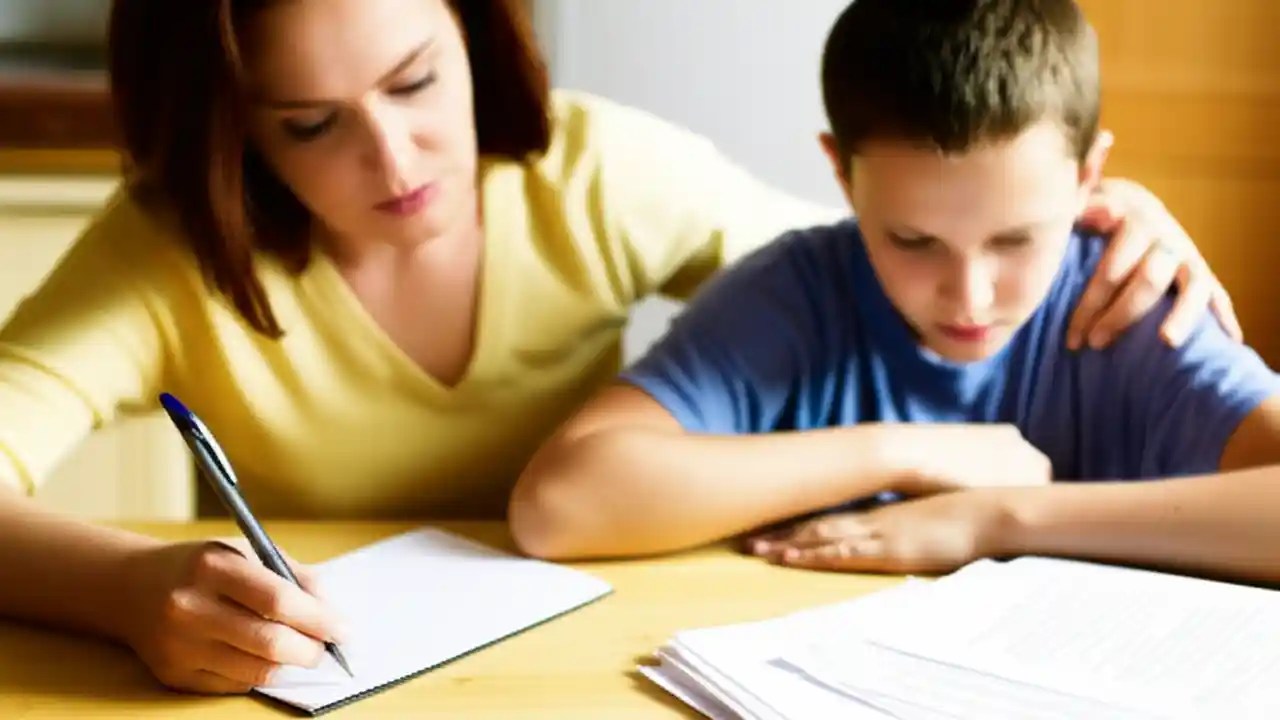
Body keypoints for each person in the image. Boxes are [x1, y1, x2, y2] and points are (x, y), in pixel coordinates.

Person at [0, 0, 1240, 697]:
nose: (397, 161)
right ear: (230, 128)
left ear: (475, 34)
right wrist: (118, 589)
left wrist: (1087, 222)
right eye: (312, 123)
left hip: (580, 666)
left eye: (420, 81)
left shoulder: (591, 171)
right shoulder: (168, 251)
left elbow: (890, 255)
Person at [510, 0, 1280, 589]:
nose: (970, 297)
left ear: (1088, 176)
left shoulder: (1126, 297)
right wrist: (903, 452)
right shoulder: (795, 297)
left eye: (1016, 240)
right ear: (840, 175)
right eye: (913, 242)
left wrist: (996, 521)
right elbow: (559, 507)